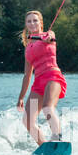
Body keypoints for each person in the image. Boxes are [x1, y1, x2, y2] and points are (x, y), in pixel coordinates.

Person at [16, 9, 67, 146]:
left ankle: (57, 137)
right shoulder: (28, 48)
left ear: (40, 23)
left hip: (53, 77)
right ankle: (44, 146)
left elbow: (50, 37)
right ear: (26, 25)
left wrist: (46, 38)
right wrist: (21, 97)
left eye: (35, 20)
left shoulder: (48, 35)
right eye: (29, 21)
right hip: (38, 83)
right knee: (27, 120)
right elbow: (27, 75)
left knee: (47, 107)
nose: (32, 23)